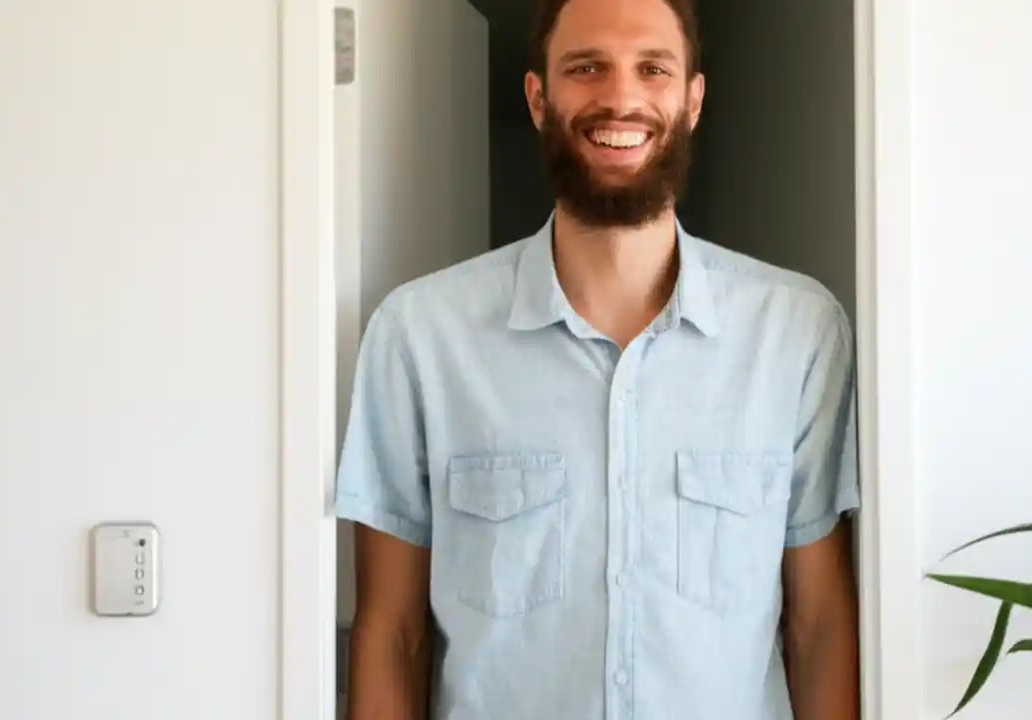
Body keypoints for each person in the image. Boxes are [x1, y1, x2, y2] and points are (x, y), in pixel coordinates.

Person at [334, 0, 860, 717]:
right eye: (586, 68)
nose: (621, 97)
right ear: (538, 97)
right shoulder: (420, 337)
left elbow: (820, 625)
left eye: (653, 67)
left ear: (693, 99)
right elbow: (391, 631)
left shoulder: (797, 334)